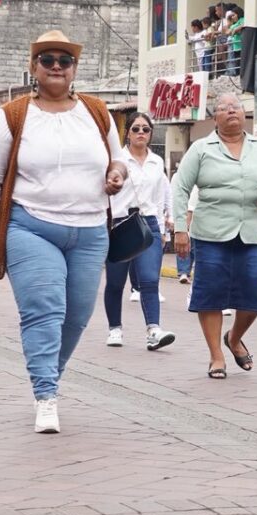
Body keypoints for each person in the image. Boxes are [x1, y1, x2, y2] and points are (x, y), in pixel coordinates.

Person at [0, 30, 127, 433]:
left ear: (74, 69)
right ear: (33, 67)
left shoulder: (97, 111)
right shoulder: (12, 115)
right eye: (47, 60)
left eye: (64, 60)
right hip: (31, 227)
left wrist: (116, 172)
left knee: (76, 316)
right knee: (45, 310)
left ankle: (49, 375)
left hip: (91, 230)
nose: (56, 66)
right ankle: (45, 395)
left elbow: (119, 159)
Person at [172, 92, 257, 378]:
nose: (231, 111)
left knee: (254, 296)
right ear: (215, 118)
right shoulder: (201, 148)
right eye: (224, 108)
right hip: (210, 233)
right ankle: (216, 356)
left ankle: (233, 338)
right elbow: (181, 188)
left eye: (236, 107)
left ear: (243, 114)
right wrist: (180, 229)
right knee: (210, 294)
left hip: (251, 232)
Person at [105, 112, 175, 350]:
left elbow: (162, 195)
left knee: (149, 279)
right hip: (121, 224)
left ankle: (153, 330)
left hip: (148, 225)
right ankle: (115, 328)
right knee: (115, 282)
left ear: (151, 133)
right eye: (136, 129)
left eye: (145, 129)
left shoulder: (156, 162)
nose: (141, 133)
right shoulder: (117, 160)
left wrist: (164, 228)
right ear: (128, 133)